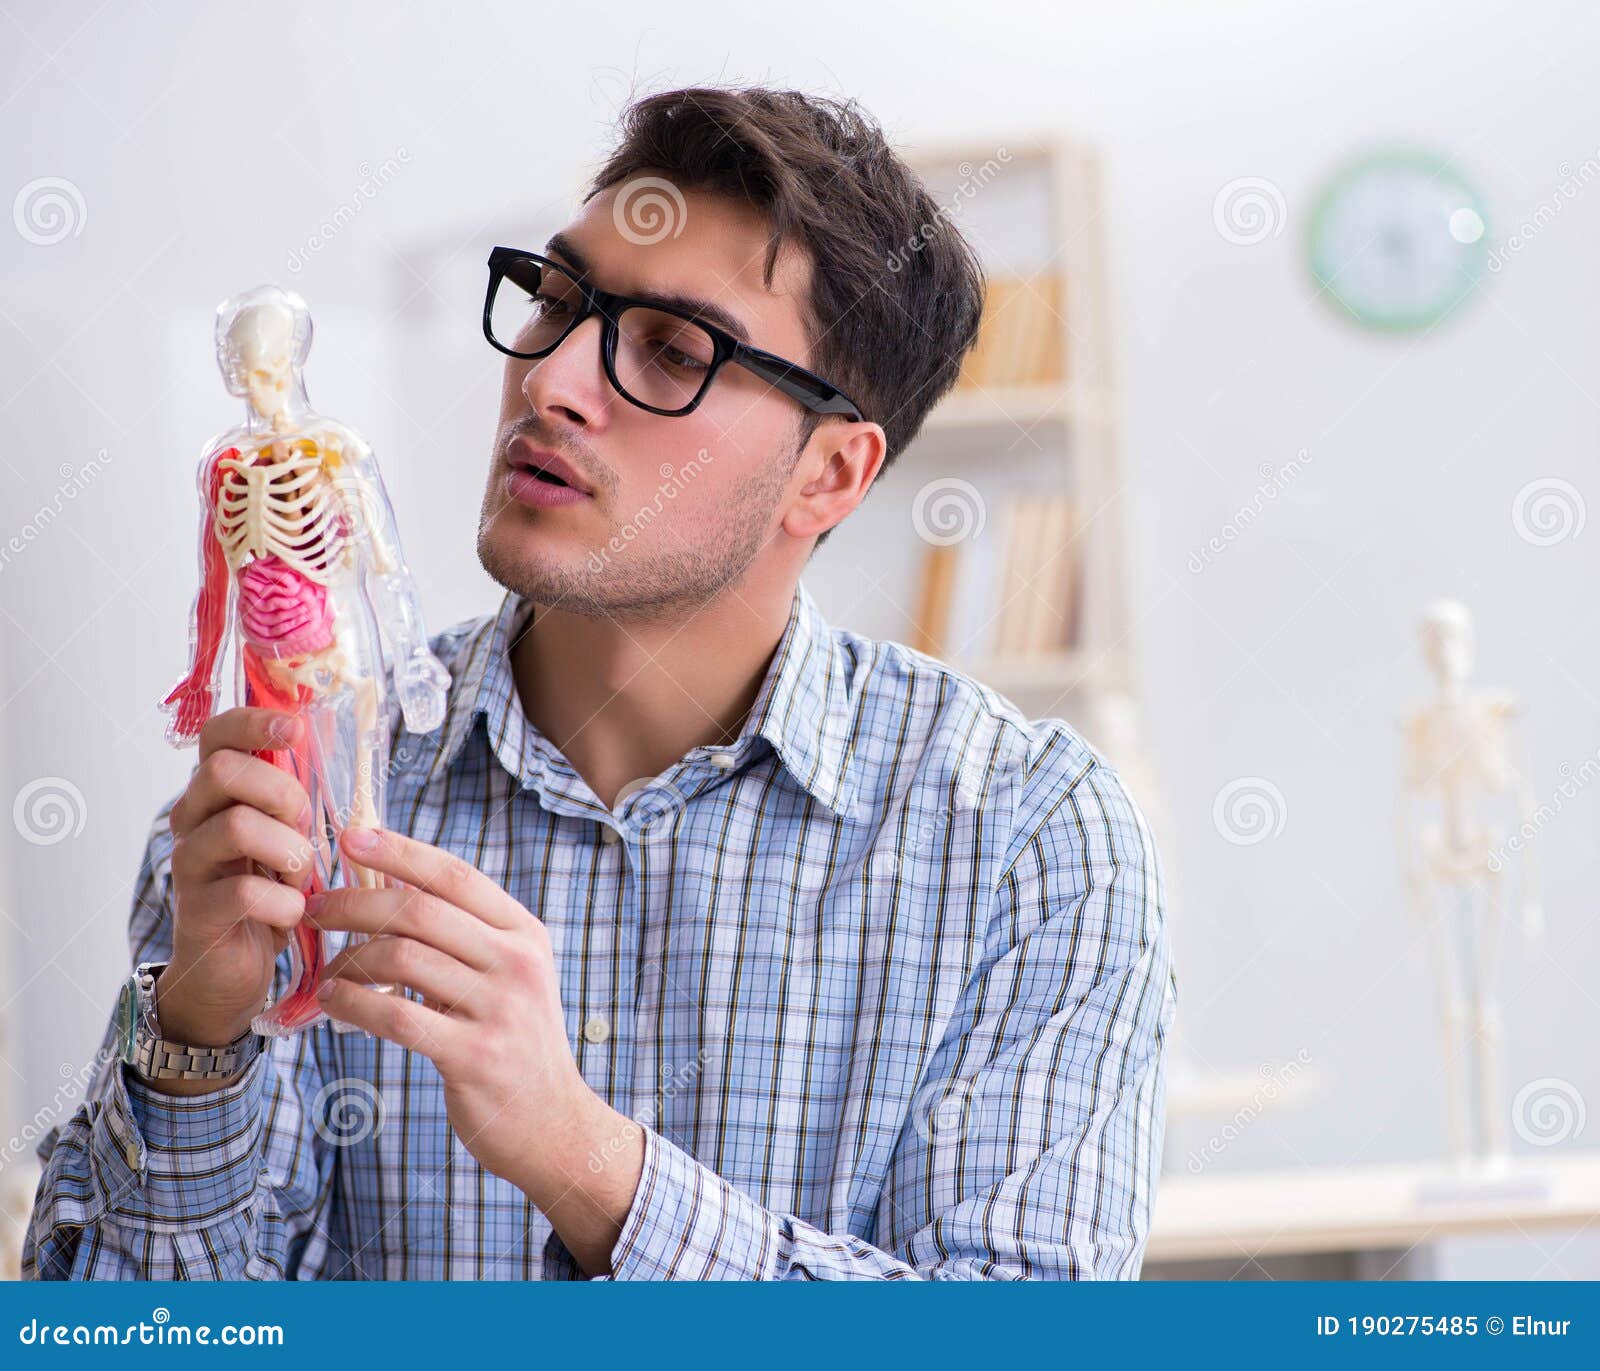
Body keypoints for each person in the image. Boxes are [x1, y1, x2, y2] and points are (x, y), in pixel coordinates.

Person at [24, 84, 1176, 1281]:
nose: (552, 379)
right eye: (558, 301)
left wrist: (584, 1161)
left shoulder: (1031, 840)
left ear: (829, 475)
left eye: (672, 352)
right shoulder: (288, 798)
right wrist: (195, 1042)